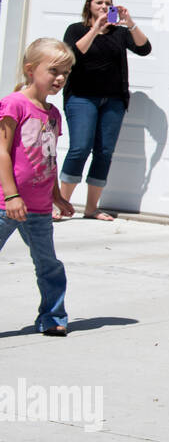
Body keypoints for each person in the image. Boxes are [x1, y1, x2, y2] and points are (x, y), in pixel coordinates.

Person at [2, 39, 78, 336]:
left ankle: (53, 316)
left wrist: (57, 195)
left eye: (66, 73)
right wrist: (11, 195)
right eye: (54, 70)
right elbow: (2, 151)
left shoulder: (53, 113)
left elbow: (49, 157)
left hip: (39, 207)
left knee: (49, 265)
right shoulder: (14, 103)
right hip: (6, 203)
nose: (60, 78)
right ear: (31, 70)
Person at [58, 0, 152, 220]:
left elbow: (144, 49)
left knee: (104, 152)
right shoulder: (76, 30)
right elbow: (72, 55)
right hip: (81, 98)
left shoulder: (119, 34)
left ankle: (91, 208)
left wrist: (129, 23)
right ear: (89, 5)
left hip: (113, 100)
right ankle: (62, 204)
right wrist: (95, 29)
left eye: (107, 3)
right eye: (99, 2)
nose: (103, 6)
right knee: (80, 148)